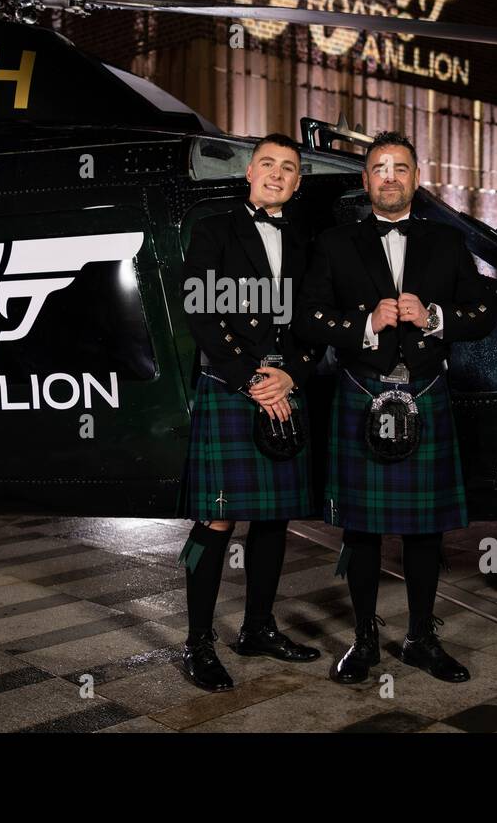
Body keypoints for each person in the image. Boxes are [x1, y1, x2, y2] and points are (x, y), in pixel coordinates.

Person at [294, 130, 495, 684]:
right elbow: (307, 317)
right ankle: (363, 641)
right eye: (379, 167)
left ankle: (421, 638)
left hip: (425, 393)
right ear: (365, 180)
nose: (390, 176)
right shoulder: (335, 243)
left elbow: (483, 315)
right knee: (360, 529)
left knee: (424, 531)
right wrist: (365, 323)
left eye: (400, 167)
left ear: (415, 178)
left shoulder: (447, 243)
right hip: (362, 394)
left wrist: (434, 317)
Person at [177, 132, 322, 692]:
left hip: (287, 384)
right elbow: (201, 311)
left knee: (274, 516)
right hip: (230, 385)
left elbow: (316, 317)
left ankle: (258, 629)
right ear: (249, 172)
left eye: (289, 167)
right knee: (215, 519)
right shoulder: (215, 228)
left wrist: (296, 372)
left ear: (298, 181)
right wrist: (251, 377)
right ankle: (197, 643)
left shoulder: (308, 239)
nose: (277, 173)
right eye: (267, 164)